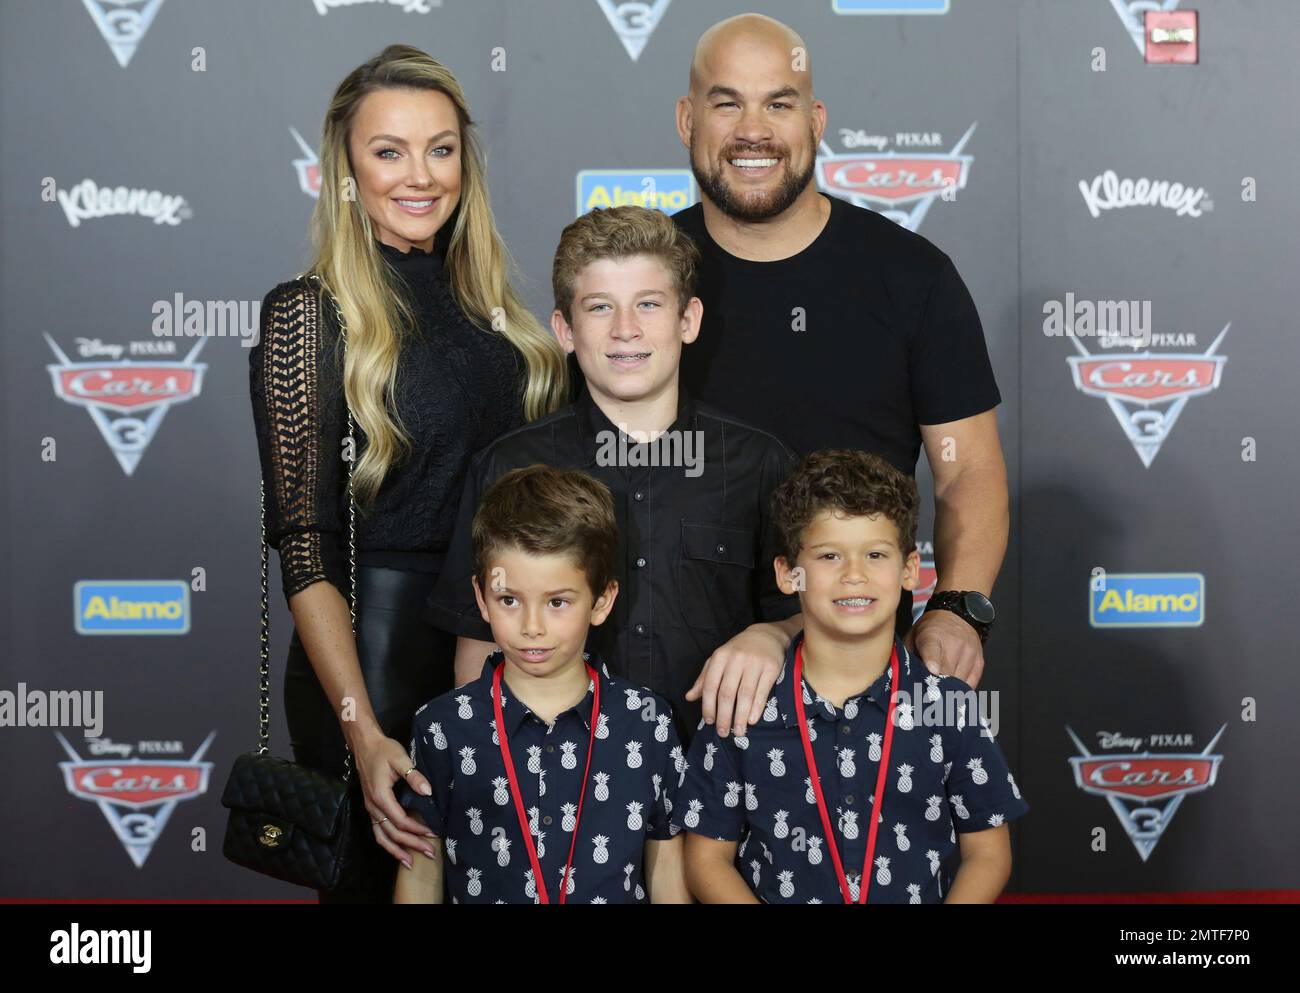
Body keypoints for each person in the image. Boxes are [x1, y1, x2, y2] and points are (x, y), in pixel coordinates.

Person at [249, 44, 567, 902]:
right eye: (388, 151)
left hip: (509, 647)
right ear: (346, 172)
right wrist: (360, 731)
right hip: (376, 664)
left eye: (440, 147)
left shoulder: (498, 314)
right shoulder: (307, 315)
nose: (419, 175)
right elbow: (305, 549)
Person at [673, 14, 1009, 690]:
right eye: (726, 102)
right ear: (687, 120)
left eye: (779, 103)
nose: (753, 130)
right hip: (668, 673)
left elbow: (966, 470)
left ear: (817, 120)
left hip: (859, 669)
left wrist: (956, 608)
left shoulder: (911, 277)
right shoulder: (637, 278)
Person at [425, 204, 802, 747]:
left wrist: (773, 634)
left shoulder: (760, 462)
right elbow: (478, 645)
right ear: (565, 329)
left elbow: (808, 613)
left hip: (720, 779)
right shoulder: (509, 467)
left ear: (688, 320)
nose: (626, 330)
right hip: (557, 784)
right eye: (600, 307)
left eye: (648, 304)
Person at [674, 449, 1027, 903]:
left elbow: (989, 853)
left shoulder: (948, 707)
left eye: (875, 554)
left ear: (908, 570)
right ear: (788, 574)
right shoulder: (742, 704)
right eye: (829, 556)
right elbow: (706, 860)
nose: (854, 575)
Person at [394, 465, 691, 903]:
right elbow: (420, 873)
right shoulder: (441, 727)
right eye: (509, 600)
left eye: (557, 602)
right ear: (481, 597)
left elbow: (667, 869)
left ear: (602, 600)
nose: (531, 627)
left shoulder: (649, 724)